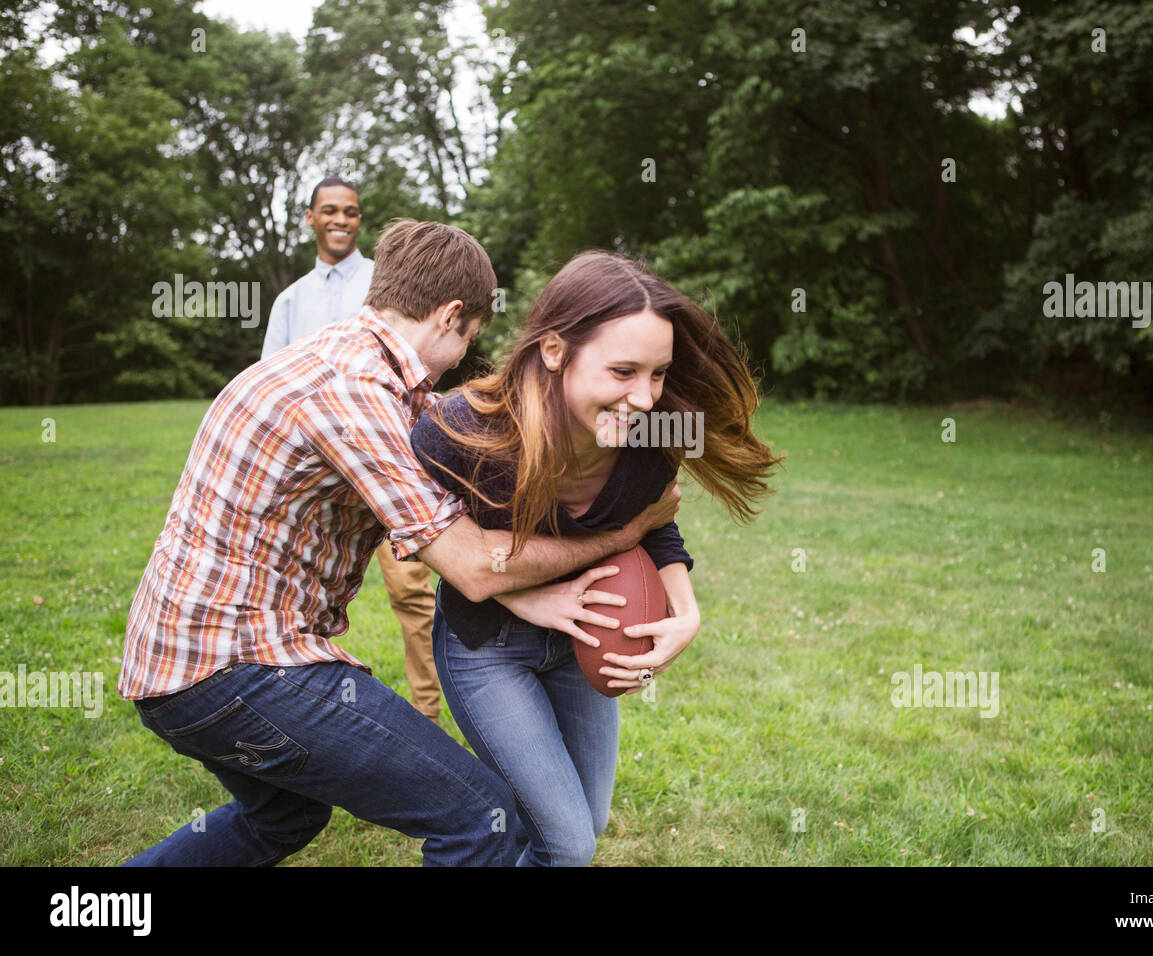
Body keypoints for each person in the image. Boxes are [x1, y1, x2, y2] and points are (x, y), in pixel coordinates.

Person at [119, 222, 681, 866]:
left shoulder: (350, 367)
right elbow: (471, 565)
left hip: (178, 664)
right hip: (239, 667)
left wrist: (528, 597)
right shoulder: (355, 393)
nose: (467, 355)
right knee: (483, 818)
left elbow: (434, 531)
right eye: (470, 337)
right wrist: (627, 533)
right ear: (449, 317)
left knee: (281, 819)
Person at [413, 250, 783, 866]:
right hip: (487, 648)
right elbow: (418, 540)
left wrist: (686, 613)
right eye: (622, 371)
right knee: (568, 844)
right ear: (555, 350)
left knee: (588, 820)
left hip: (583, 639)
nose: (644, 398)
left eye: (658, 374)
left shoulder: (652, 436)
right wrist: (525, 595)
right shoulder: (461, 434)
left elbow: (657, 523)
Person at [261, 175, 446, 723]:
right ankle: (292, 714)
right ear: (311, 218)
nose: (342, 220)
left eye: (352, 212)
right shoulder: (291, 300)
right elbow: (271, 383)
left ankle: (427, 717)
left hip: (386, 461)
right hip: (315, 482)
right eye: (331, 211)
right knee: (291, 599)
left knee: (414, 596)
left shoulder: (384, 285)